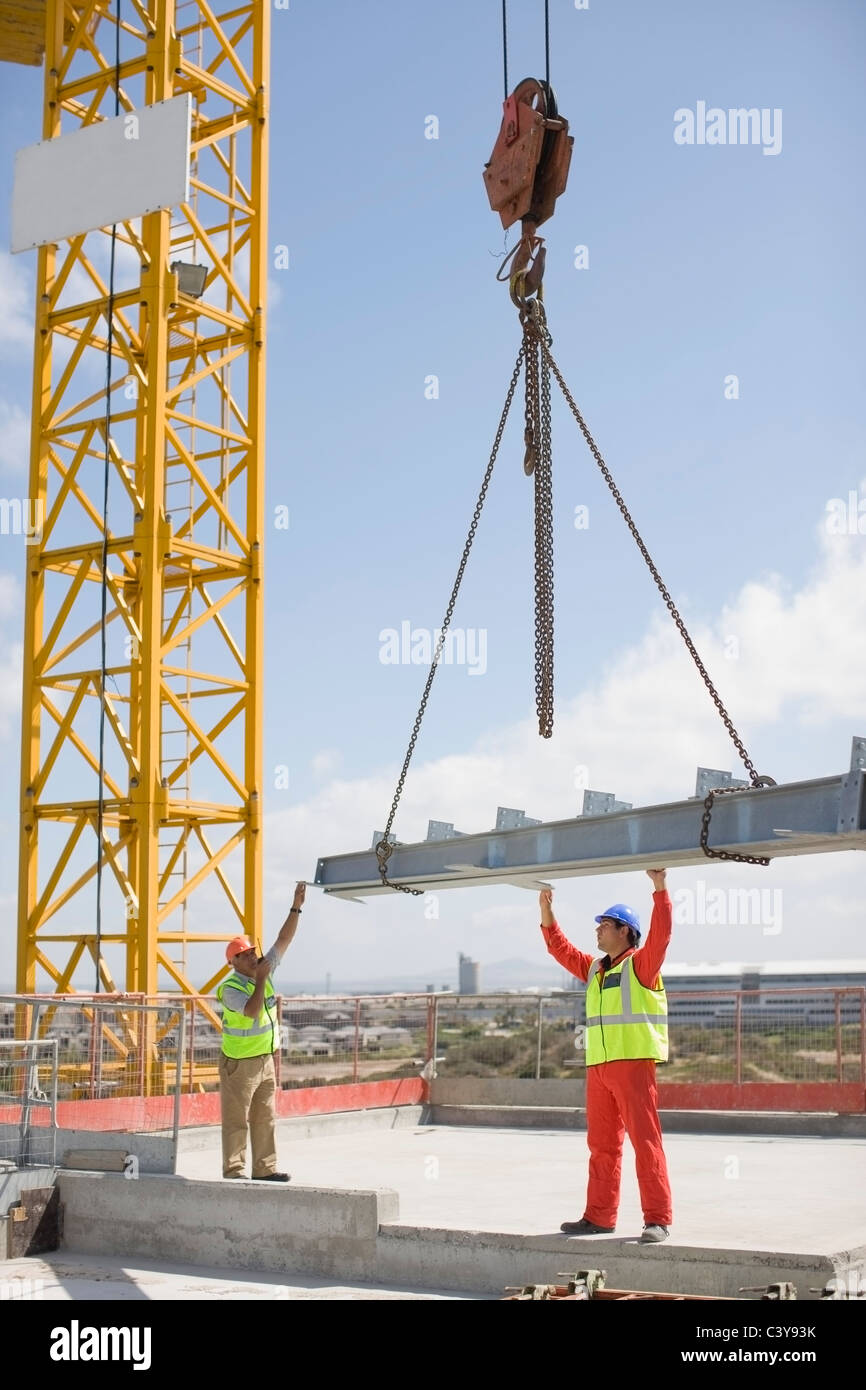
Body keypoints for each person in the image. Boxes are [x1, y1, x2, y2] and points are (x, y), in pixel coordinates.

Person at [539, 868, 673, 1243]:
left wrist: (659, 889)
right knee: (601, 1146)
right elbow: (559, 949)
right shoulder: (596, 968)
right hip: (598, 1068)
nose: (598, 930)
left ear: (625, 931)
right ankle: (599, 1216)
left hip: (632, 1066)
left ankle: (658, 1219)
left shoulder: (642, 964)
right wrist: (546, 909)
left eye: (606, 924)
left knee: (645, 1143)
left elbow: (661, 937)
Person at [216, 881, 306, 1180]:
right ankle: (234, 1170)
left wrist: (296, 906)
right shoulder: (230, 988)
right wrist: (260, 980)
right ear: (234, 962)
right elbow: (252, 1011)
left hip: (265, 1059)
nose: (254, 956)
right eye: (246, 954)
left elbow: (284, 939)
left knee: (265, 1117)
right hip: (239, 1064)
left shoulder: (263, 972)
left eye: (254, 951)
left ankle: (265, 1170)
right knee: (236, 1119)